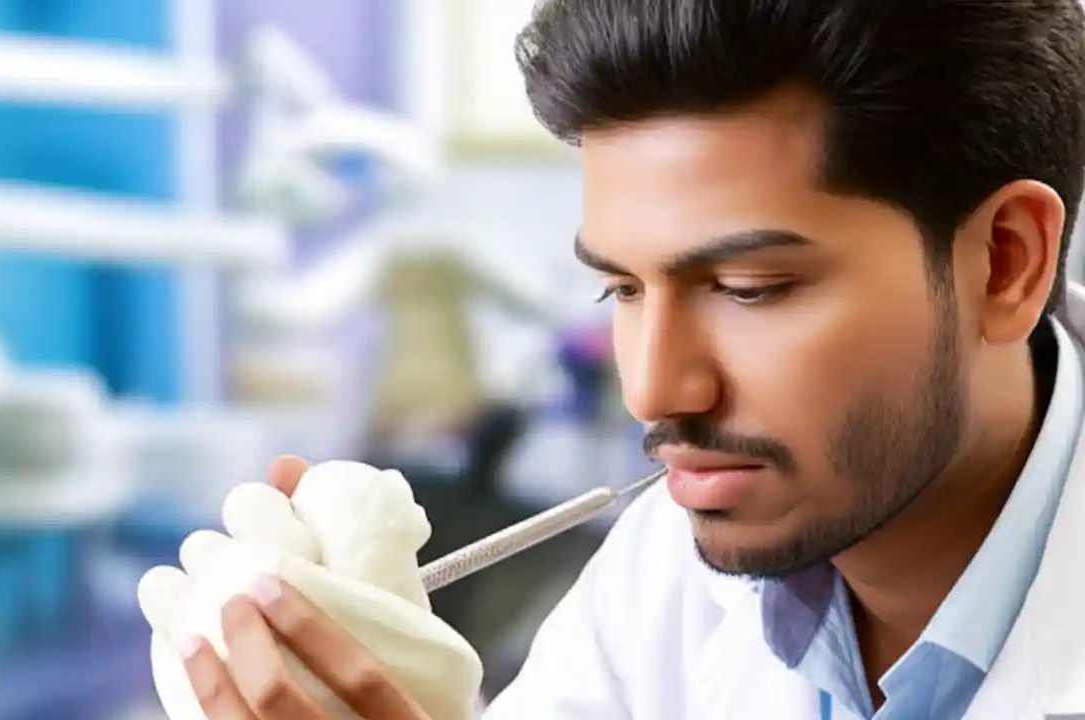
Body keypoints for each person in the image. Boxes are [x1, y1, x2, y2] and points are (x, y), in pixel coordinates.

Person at [175, 0, 1085, 717]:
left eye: (750, 287)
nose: (655, 389)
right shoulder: (676, 563)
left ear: (1006, 262)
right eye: (622, 290)